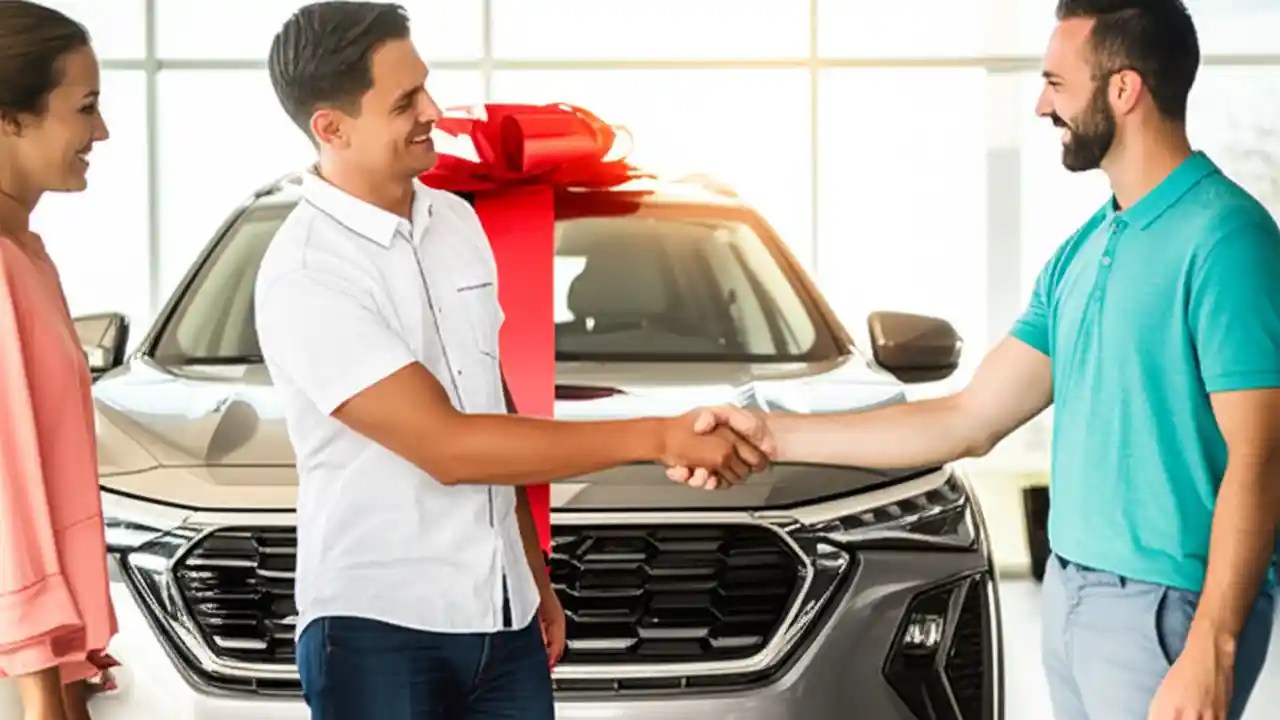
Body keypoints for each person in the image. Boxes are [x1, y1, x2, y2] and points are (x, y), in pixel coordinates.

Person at [675, 1, 1280, 719]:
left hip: (1166, 607)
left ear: (1123, 90)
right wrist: (772, 435)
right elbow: (969, 417)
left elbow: (1263, 454)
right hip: (1074, 597)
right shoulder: (1084, 250)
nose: (1039, 105)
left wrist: (1211, 642)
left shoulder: (1227, 240)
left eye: (1057, 83)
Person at [255, 3, 764, 718]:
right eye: (405, 102)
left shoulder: (456, 222)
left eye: (424, 86)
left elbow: (493, 410)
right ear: (331, 128)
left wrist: (533, 575)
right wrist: (656, 436)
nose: (433, 110)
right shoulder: (308, 272)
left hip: (504, 620)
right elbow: (450, 447)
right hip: (380, 630)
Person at [0, 2, 119, 720]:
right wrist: (46, 695)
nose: (99, 131)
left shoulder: (28, 257)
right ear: (9, 117)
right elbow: (8, 494)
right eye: (85, 108)